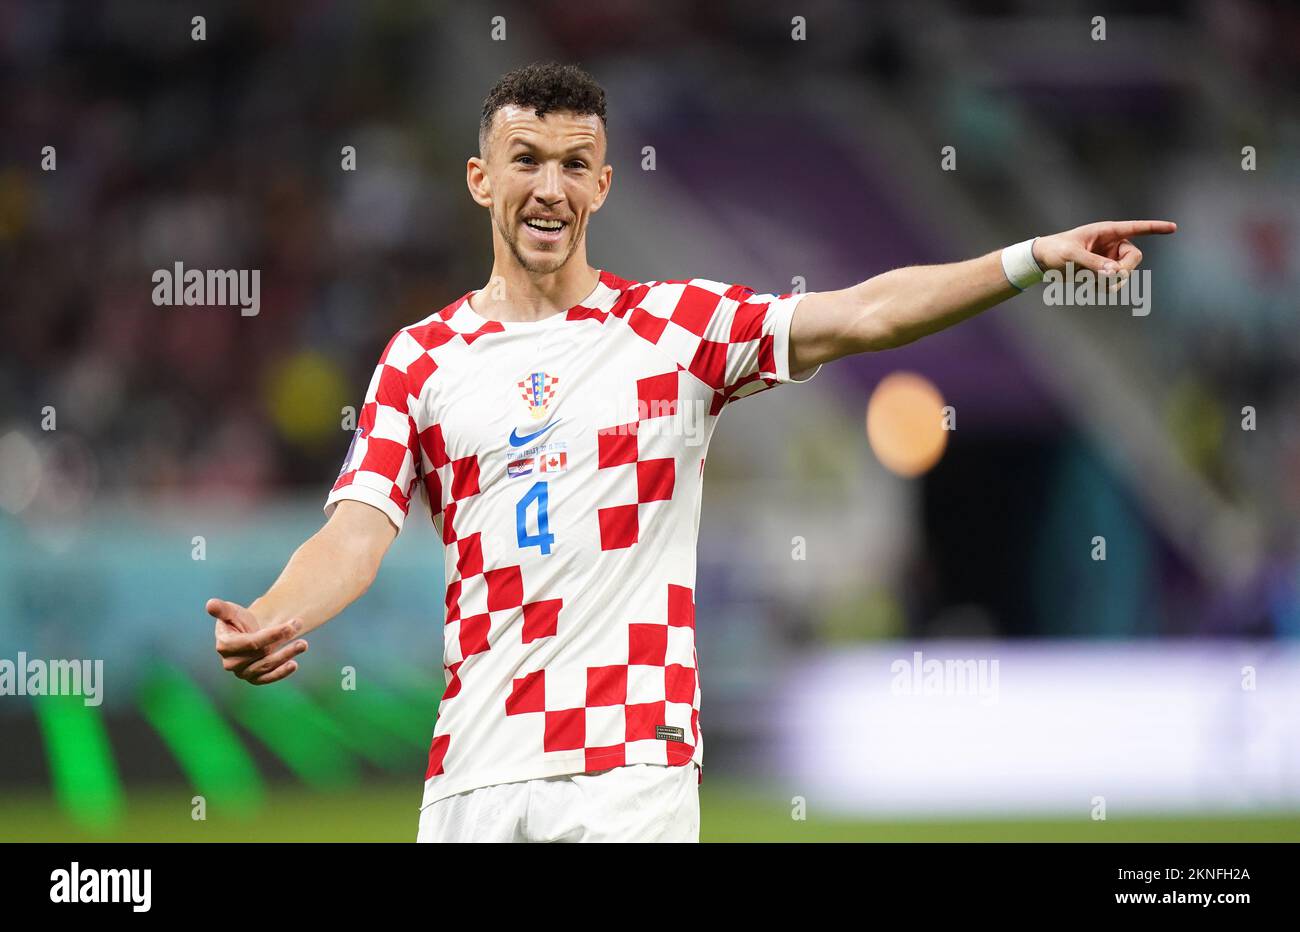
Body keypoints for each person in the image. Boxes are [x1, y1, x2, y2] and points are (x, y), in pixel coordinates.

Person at [205, 61, 1176, 842]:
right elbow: (355, 531)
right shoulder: (420, 359)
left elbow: (864, 314)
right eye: (526, 158)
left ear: (603, 184)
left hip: (630, 768)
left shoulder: (676, 329)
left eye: (575, 163)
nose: (550, 186)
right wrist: (275, 612)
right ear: (480, 178)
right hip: (473, 769)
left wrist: (1031, 256)